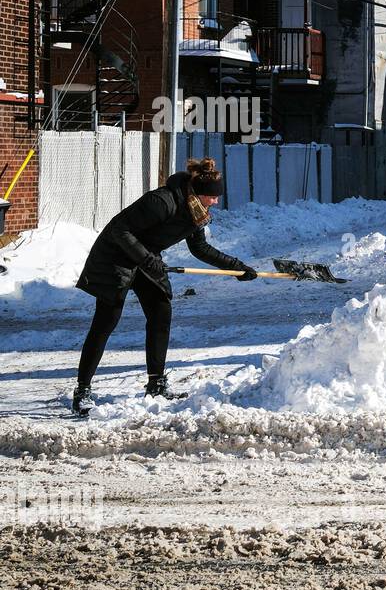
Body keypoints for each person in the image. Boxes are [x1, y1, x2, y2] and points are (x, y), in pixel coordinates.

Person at [72, 157, 257, 415]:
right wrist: (148, 259)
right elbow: (120, 230)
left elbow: (199, 248)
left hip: (145, 260)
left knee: (161, 313)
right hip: (114, 258)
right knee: (106, 321)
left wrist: (236, 266)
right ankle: (82, 390)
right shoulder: (162, 201)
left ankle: (156, 383)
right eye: (213, 197)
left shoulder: (195, 212)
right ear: (200, 193)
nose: (216, 202)